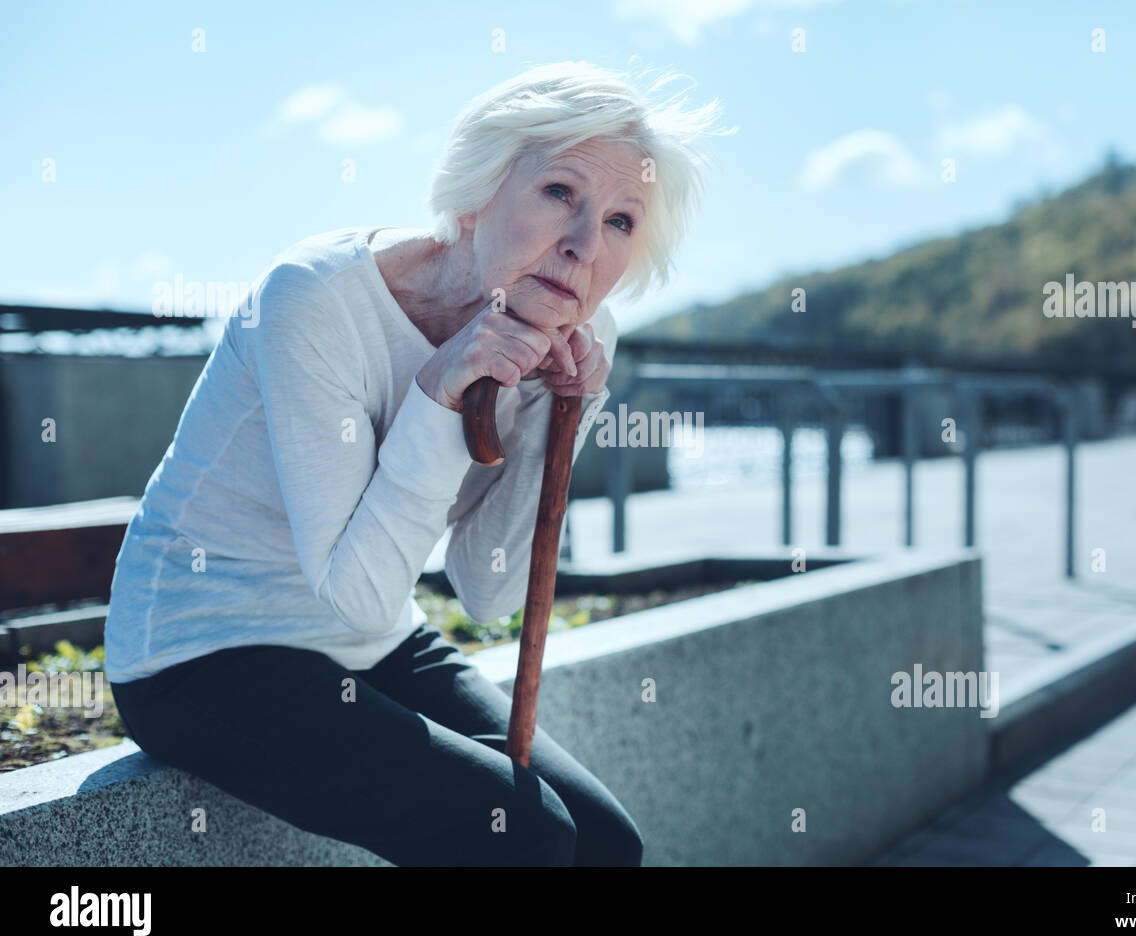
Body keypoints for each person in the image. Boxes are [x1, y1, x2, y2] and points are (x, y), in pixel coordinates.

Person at [103, 60, 731, 866]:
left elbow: (491, 590)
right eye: (559, 193)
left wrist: (555, 412)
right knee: (526, 838)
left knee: (607, 844)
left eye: (619, 222)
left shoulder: (577, 337)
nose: (581, 246)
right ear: (477, 189)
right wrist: (438, 394)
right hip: (199, 652)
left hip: (369, 644)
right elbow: (357, 594)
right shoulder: (315, 297)